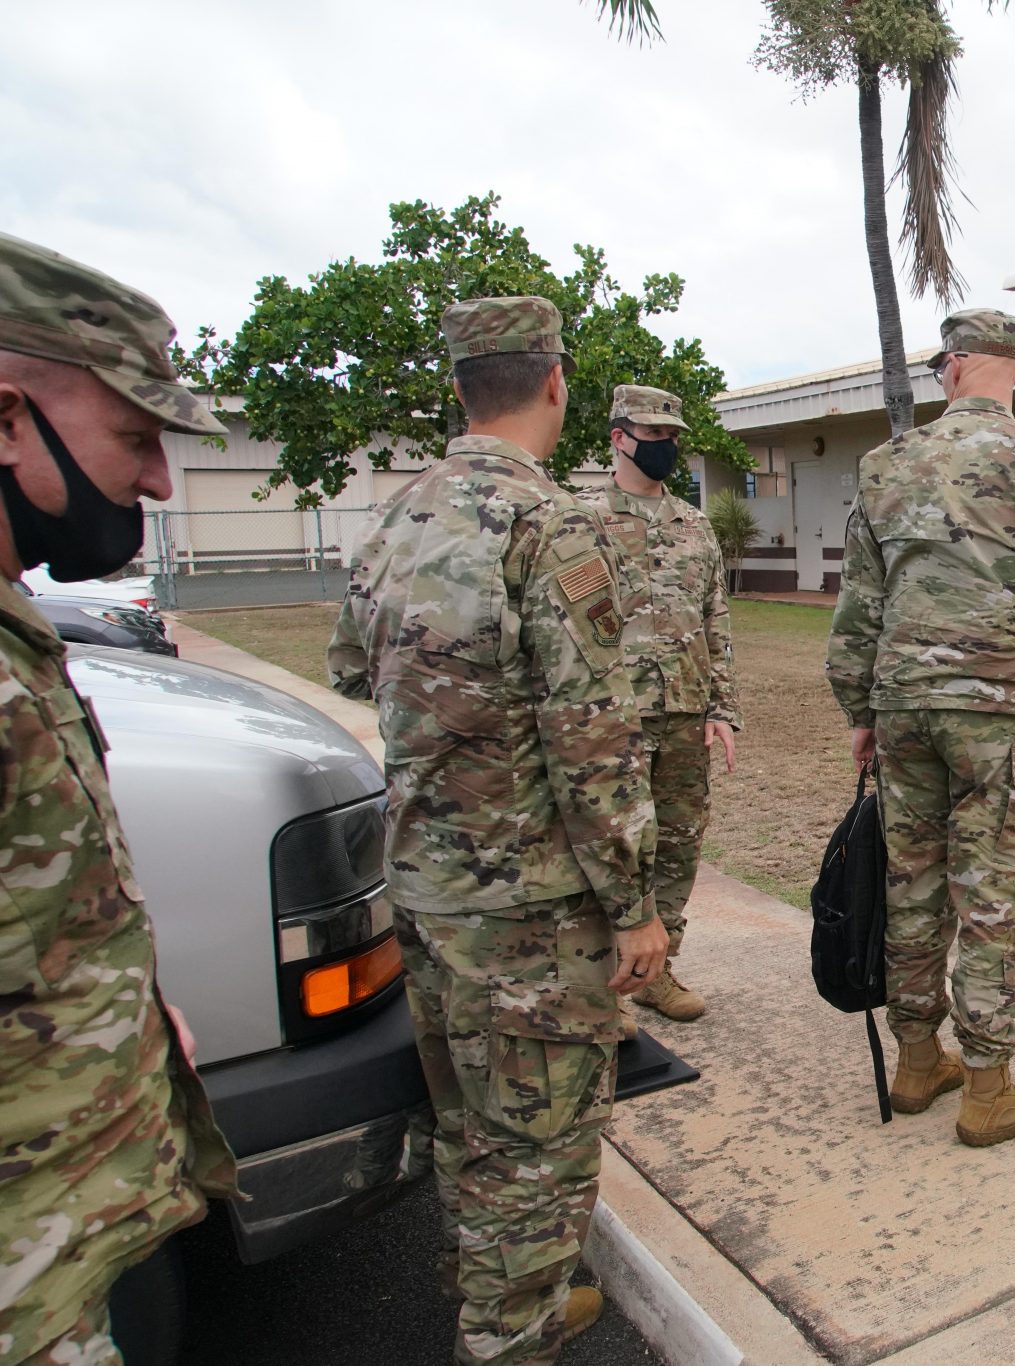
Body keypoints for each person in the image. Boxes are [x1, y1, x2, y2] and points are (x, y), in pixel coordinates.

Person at [329, 296, 663, 1362]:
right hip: (528, 912)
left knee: (466, 1129)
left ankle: (487, 1299)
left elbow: (351, 668)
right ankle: (508, 1332)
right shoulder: (551, 521)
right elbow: (590, 737)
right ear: (555, 381)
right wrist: (635, 905)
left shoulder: (395, 517)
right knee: (539, 1150)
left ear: (461, 389)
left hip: (424, 890)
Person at [0, 233, 239, 1363]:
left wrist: (126, 1023)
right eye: (135, 438)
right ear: (7, 419)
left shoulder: (21, 623)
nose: (154, 481)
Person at [826, 307, 1015, 1147]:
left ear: (949, 370)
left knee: (910, 882)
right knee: (995, 894)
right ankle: (987, 1087)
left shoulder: (887, 465)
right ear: (1010, 371)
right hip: (999, 710)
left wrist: (860, 709)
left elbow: (859, 604)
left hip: (905, 705)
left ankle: (919, 1062)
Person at [578, 385, 740, 1024]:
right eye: (655, 438)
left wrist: (721, 708)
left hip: (684, 712)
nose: (667, 448)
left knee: (676, 846)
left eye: (675, 438)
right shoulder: (579, 520)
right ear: (619, 438)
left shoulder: (694, 525)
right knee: (613, 848)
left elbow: (715, 620)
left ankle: (657, 969)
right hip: (609, 717)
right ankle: (603, 988)